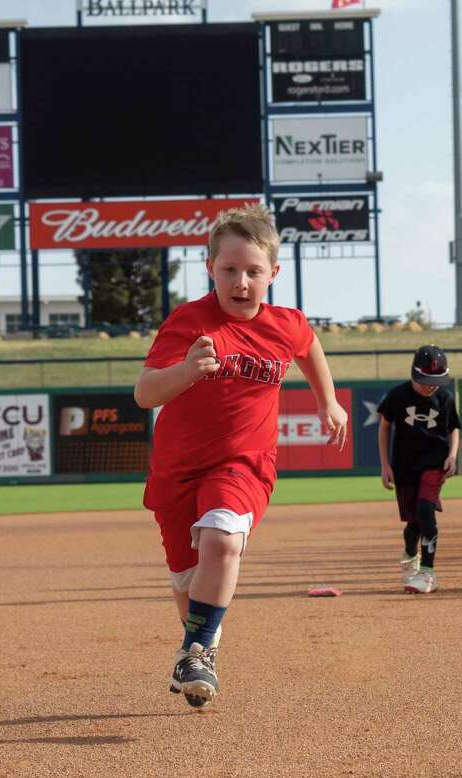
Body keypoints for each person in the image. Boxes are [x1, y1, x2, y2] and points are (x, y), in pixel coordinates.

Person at [135, 201, 347, 708]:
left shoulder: (285, 323)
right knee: (188, 579)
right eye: (229, 270)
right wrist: (186, 371)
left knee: (223, 541)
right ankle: (197, 649)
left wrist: (328, 401)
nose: (241, 282)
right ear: (210, 268)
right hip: (177, 470)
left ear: (273, 273)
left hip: (245, 464)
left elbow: (308, 345)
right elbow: (145, 393)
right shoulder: (188, 322)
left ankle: (198, 649)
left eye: (254, 271)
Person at [377, 345, 460, 594]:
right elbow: (384, 427)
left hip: (435, 464)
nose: (431, 386)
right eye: (426, 381)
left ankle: (428, 572)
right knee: (413, 524)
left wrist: (453, 456)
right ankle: (410, 553)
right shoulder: (397, 396)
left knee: (426, 511)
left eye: (436, 381)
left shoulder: (444, 398)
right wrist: (384, 464)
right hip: (404, 467)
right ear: (414, 374)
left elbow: (454, 428)